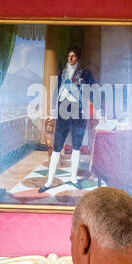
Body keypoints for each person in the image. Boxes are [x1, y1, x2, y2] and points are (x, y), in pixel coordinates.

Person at [39, 46, 96, 193]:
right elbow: (55, 94)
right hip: (62, 112)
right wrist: (52, 113)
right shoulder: (61, 74)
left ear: (78, 58)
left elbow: (93, 91)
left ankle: (73, 179)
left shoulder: (85, 74)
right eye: (69, 56)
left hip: (78, 112)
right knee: (57, 146)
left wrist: (97, 110)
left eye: (74, 56)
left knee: (76, 146)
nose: (71, 58)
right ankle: (49, 182)